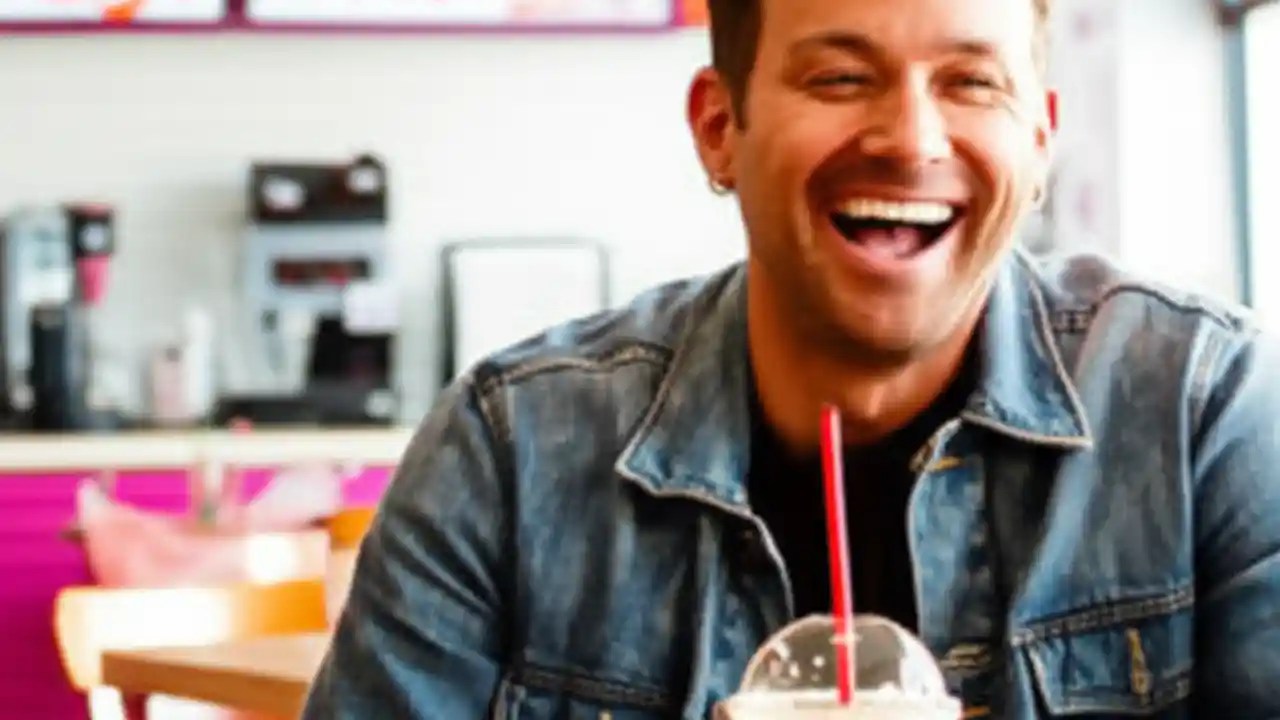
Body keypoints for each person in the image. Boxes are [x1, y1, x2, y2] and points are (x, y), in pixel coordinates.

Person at [303, 0, 1280, 715]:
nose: (910, 140)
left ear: (1038, 141)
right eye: (840, 77)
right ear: (718, 129)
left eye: (970, 82)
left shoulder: (1204, 408)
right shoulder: (511, 449)